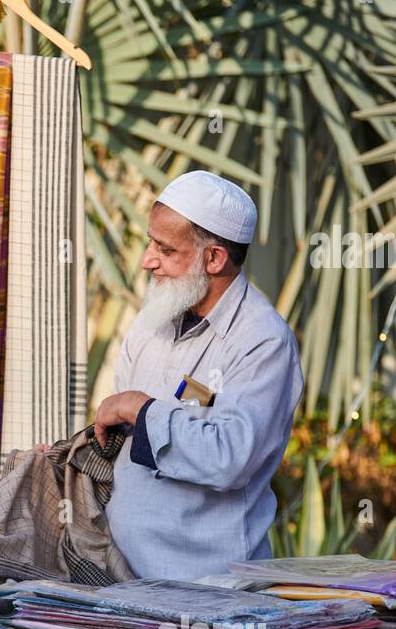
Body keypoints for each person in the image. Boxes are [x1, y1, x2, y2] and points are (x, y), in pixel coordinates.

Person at [94, 171, 303, 581]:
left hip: (208, 591)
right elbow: (121, 440)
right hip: (117, 578)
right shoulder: (150, 320)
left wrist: (141, 408)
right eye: (151, 242)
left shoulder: (264, 341)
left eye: (166, 249)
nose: (147, 260)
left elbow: (230, 458)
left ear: (214, 259)